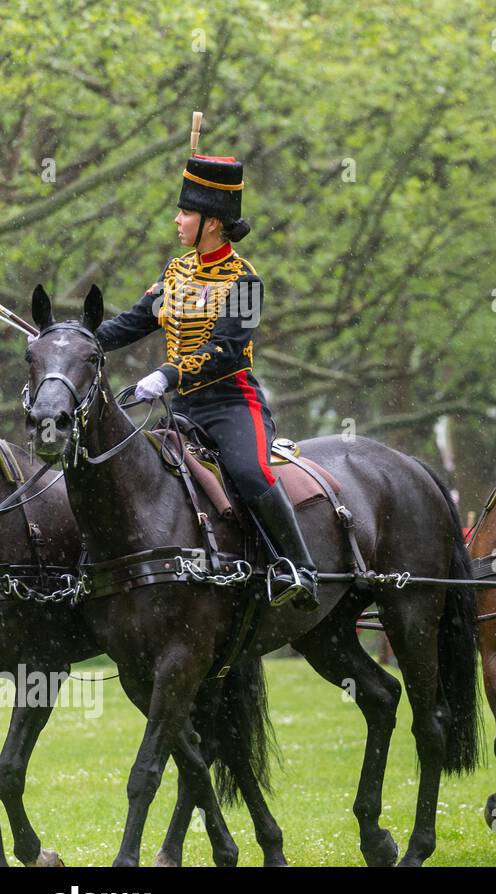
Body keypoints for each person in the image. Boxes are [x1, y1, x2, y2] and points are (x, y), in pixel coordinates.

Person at [92, 151, 319, 610]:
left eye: (186, 213)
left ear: (212, 223)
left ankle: (299, 568)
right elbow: (133, 322)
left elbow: (226, 351)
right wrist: (76, 340)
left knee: (250, 471)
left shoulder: (247, 283)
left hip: (232, 404)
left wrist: (166, 373)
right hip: (182, 408)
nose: (177, 221)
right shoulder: (174, 273)